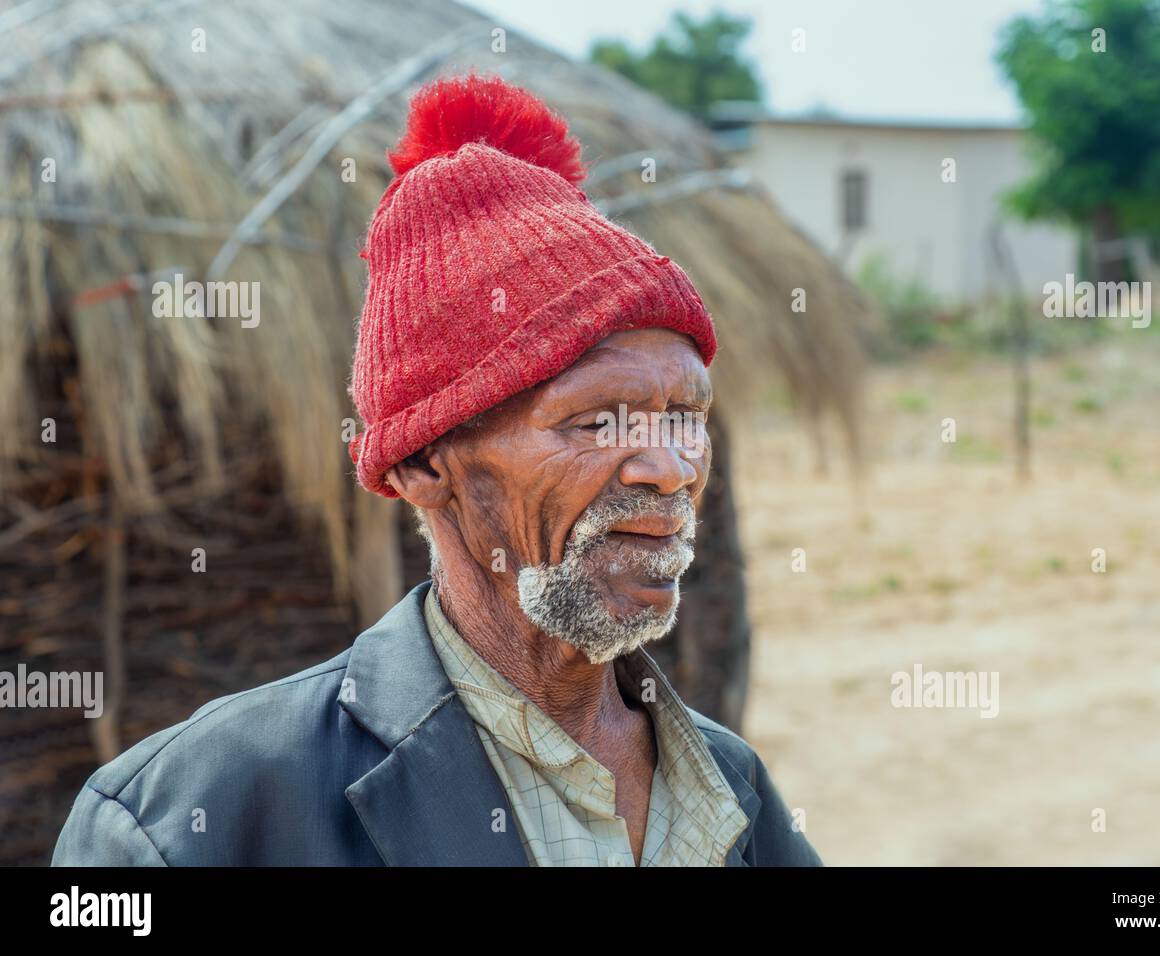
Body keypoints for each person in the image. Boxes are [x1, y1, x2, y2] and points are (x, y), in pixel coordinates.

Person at [52, 74, 821, 867]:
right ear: (424, 462)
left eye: (685, 417)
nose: (670, 468)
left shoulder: (733, 791)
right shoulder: (192, 817)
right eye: (598, 421)